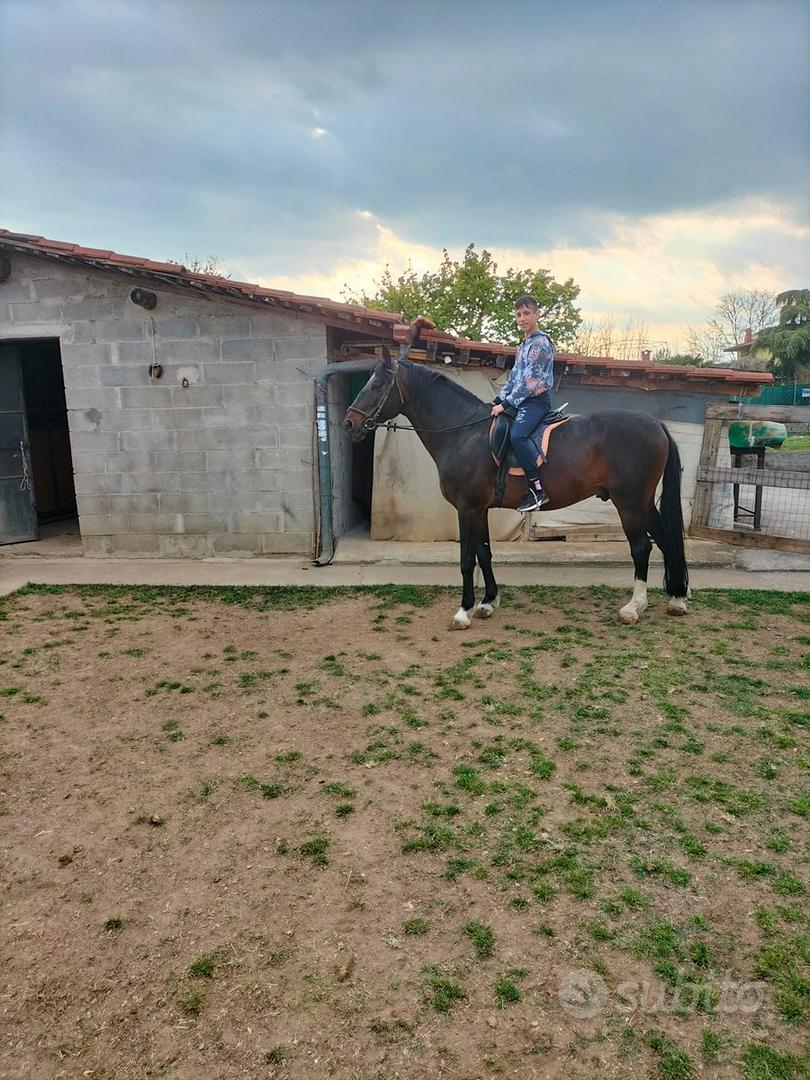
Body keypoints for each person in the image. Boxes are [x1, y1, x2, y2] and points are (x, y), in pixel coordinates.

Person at [491, 295, 555, 511]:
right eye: (518, 314)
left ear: (537, 315)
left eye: (526, 313)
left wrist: (506, 404)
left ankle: (537, 490)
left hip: (535, 401)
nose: (521, 318)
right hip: (520, 400)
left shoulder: (540, 344)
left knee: (518, 435)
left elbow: (529, 383)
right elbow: (514, 379)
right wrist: (498, 399)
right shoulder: (523, 346)